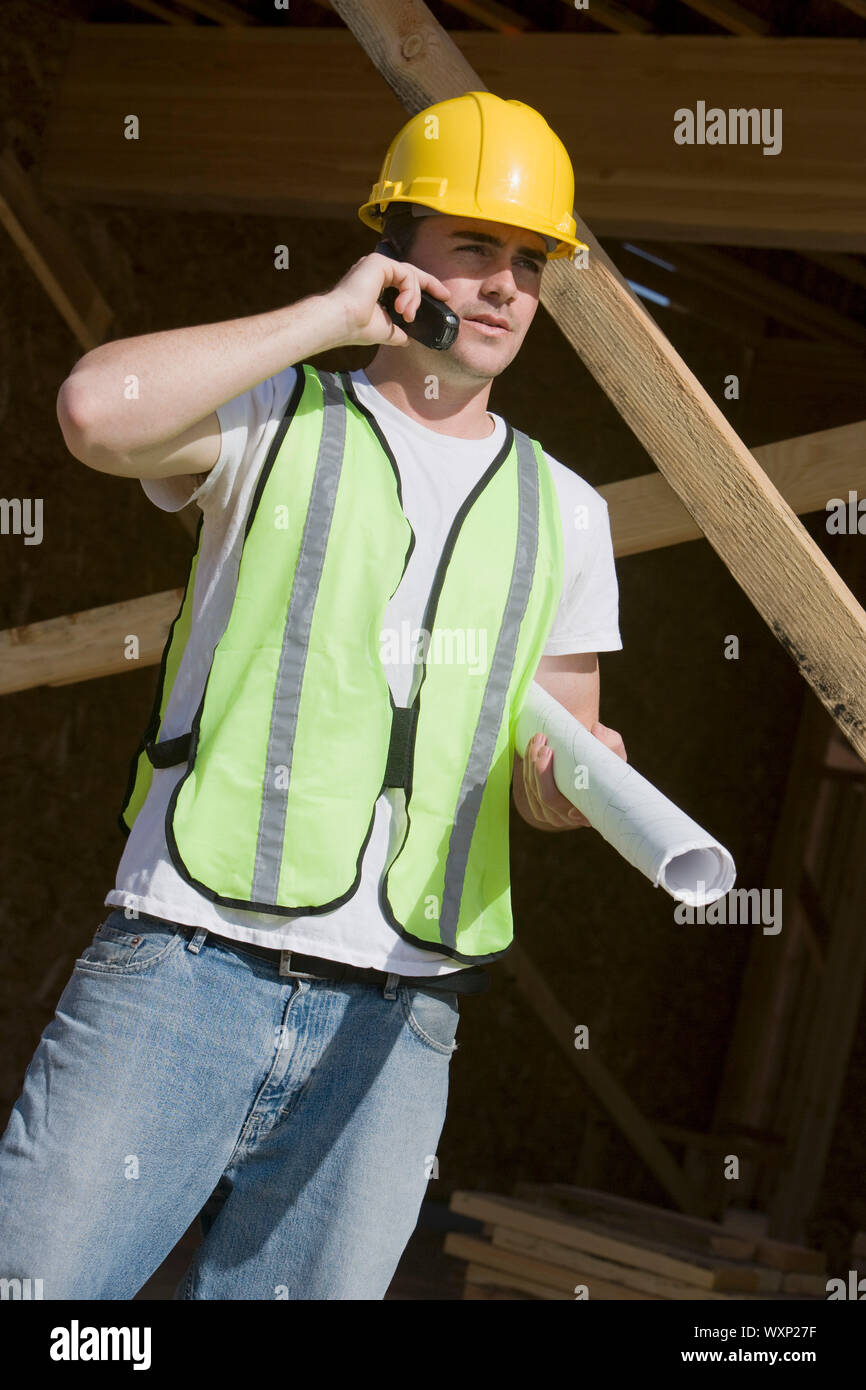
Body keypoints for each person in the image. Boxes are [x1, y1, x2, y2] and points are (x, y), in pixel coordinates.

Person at [0, 92, 626, 1300]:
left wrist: (578, 783)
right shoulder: (270, 418)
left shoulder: (569, 513)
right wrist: (332, 315)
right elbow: (92, 411)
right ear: (395, 253)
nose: (503, 286)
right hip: (186, 964)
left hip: (397, 1025)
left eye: (528, 263)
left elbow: (551, 769)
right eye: (472, 249)